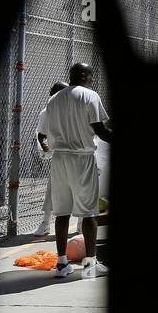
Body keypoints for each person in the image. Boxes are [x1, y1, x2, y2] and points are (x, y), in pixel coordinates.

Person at [43, 63, 113, 278]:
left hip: (59, 159)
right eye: (91, 75)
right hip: (81, 158)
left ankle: (62, 264)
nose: (92, 79)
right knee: (89, 213)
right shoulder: (90, 95)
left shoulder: (53, 99)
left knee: (62, 213)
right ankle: (90, 264)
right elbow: (100, 131)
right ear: (84, 75)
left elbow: (46, 133)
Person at [32, 81, 69, 236]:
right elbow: (42, 134)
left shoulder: (75, 110)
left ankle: (81, 224)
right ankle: (46, 223)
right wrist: (45, 145)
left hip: (79, 154)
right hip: (61, 155)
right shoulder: (47, 112)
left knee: (80, 190)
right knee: (53, 189)